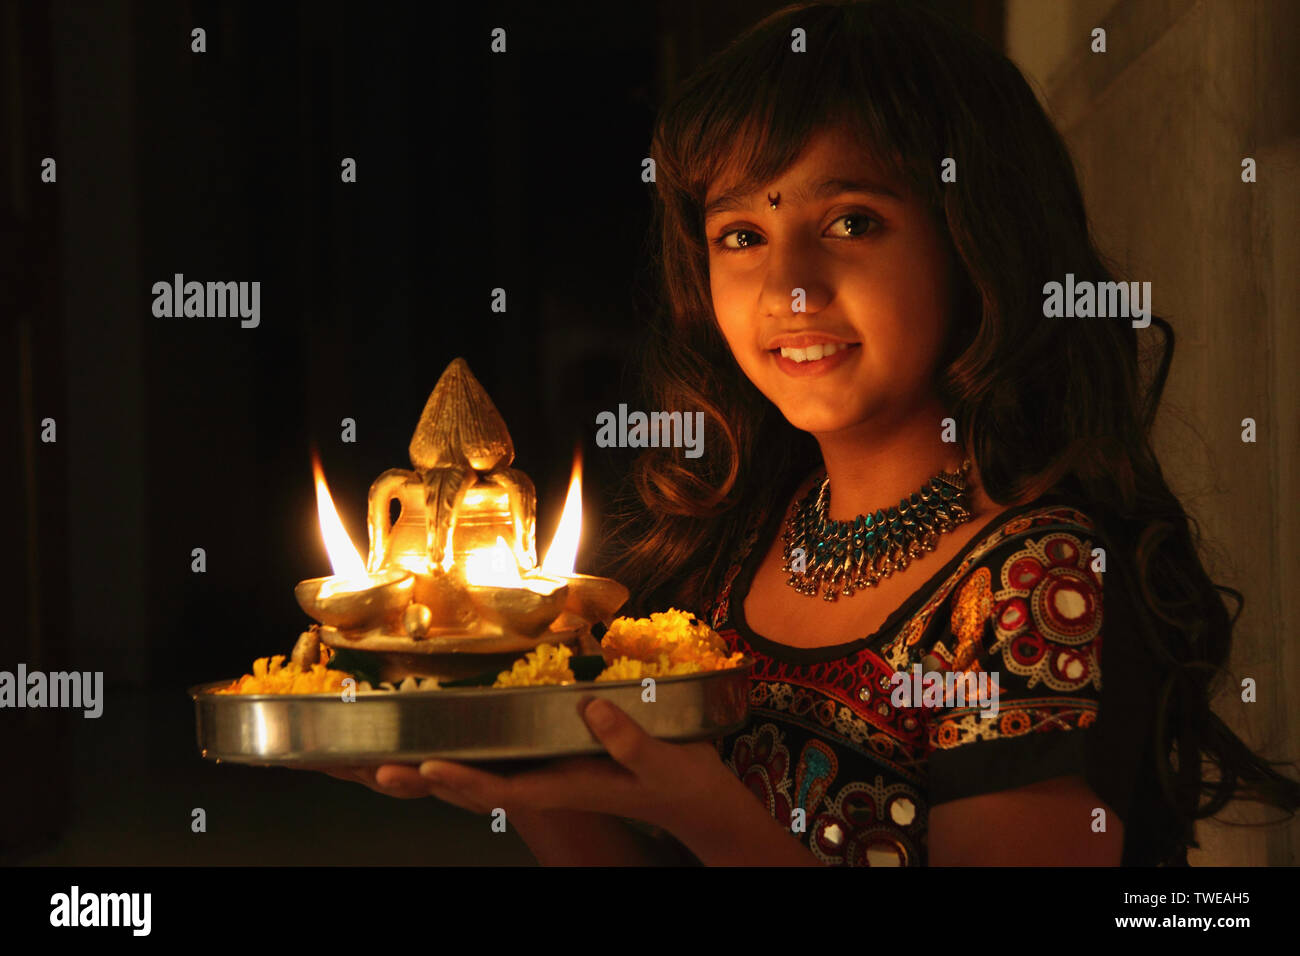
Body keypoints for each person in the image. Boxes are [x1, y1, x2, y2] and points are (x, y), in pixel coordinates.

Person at [319, 0, 1299, 865]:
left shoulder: (1032, 587)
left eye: (851, 222)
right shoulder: (733, 547)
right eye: (740, 235)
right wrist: (509, 768)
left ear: (979, 237)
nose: (789, 287)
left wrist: (713, 817)